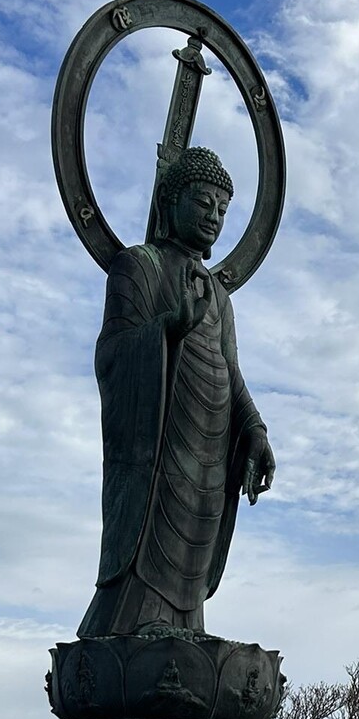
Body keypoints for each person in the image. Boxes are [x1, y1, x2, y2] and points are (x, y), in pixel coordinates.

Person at [77, 147, 275, 638]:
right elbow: (114, 353)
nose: (213, 217)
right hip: (157, 440)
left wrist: (254, 429)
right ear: (170, 201)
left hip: (208, 439)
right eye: (203, 202)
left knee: (193, 539)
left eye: (223, 209)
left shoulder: (220, 296)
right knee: (153, 528)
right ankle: (135, 622)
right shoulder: (136, 267)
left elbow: (231, 371)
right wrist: (169, 327)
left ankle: (185, 624)